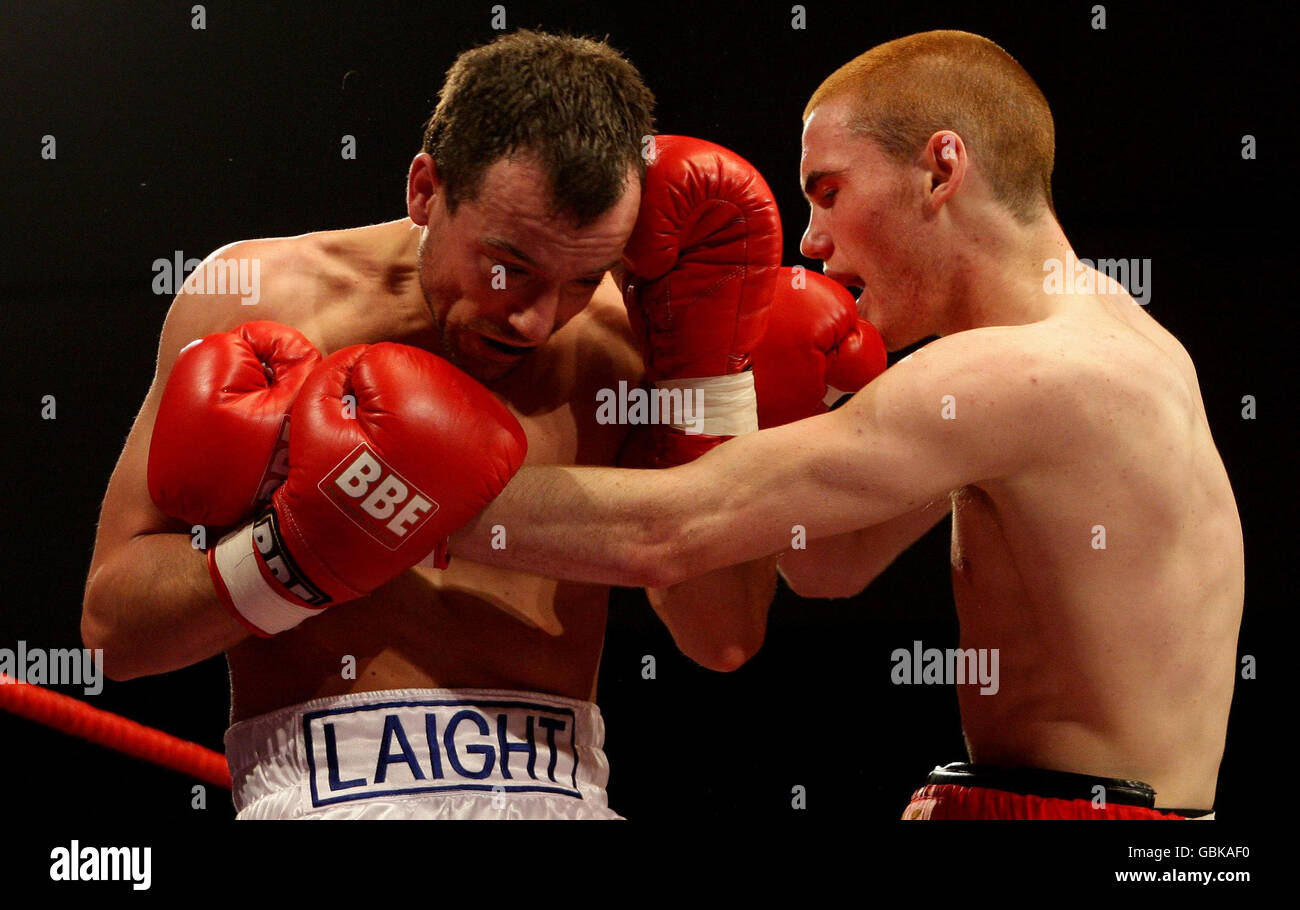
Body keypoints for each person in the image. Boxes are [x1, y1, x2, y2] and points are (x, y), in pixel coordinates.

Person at [449, 30, 1245, 819]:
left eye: (828, 191)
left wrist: (402, 489)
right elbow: (831, 563)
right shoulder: (1115, 335)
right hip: (1137, 831)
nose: (811, 240)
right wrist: (779, 396)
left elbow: (674, 529)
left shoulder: (1017, 376)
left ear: (942, 168)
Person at [81, 31, 871, 819]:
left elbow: (722, 639)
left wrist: (712, 376)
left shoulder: (627, 343)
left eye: (580, 279)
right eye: (510, 265)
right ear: (425, 189)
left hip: (562, 797)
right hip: (325, 793)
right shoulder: (260, 298)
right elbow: (115, 630)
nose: (535, 319)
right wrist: (294, 554)